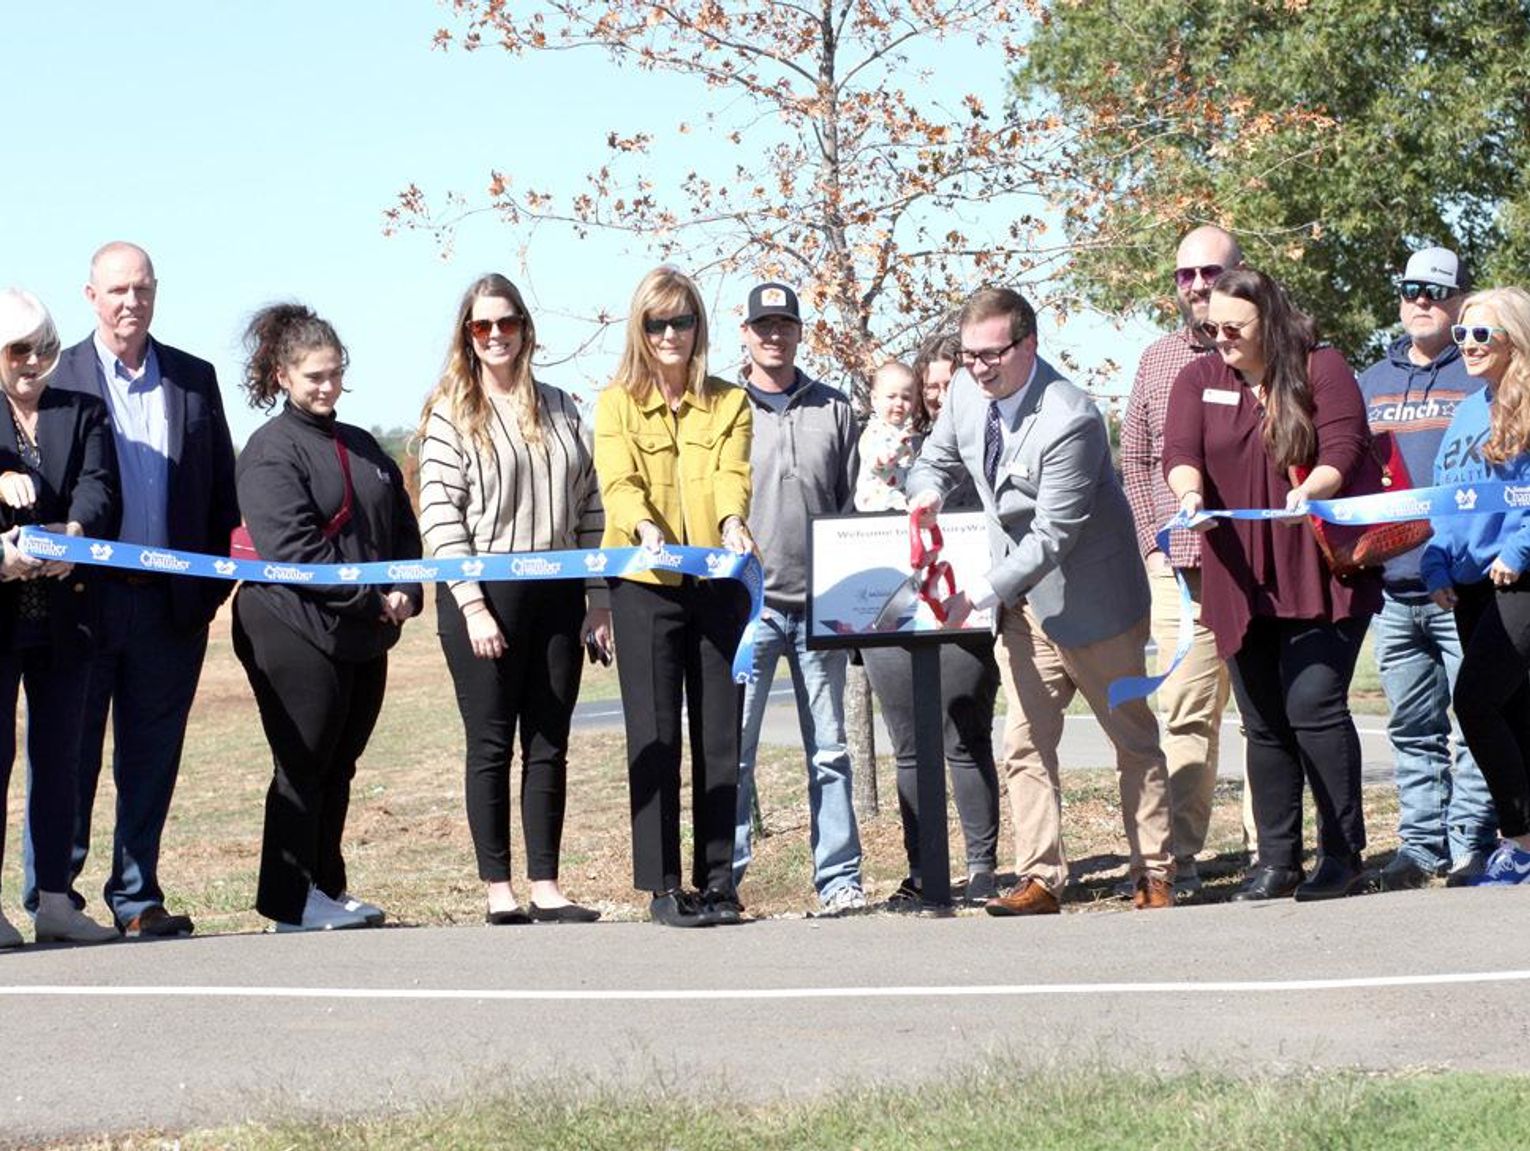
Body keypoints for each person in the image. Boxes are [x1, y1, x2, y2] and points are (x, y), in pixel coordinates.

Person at [907, 287, 1176, 916]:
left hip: (1095, 602)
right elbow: (935, 460)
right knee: (1026, 743)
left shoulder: (1071, 416)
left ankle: (1154, 873)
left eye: (991, 354)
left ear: (1028, 345)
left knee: (1132, 740)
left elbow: (1054, 534)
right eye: (969, 355)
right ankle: (1041, 879)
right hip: (1021, 604)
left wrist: (975, 594)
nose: (977, 368)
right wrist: (924, 495)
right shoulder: (969, 395)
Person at [32, 242, 238, 939]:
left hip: (170, 606)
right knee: (71, 752)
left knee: (150, 758)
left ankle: (136, 895)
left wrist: (204, 594)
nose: (131, 302)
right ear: (90, 295)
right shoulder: (58, 378)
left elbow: (219, 496)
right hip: (82, 602)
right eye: (117, 290)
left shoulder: (194, 379)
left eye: (142, 289)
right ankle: (54, 894)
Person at [1165, 267, 1382, 902]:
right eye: (1211, 328)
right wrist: (1189, 494)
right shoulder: (1199, 377)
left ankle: (1343, 857)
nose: (1221, 338)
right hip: (1239, 573)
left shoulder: (1321, 366)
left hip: (1317, 566)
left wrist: (1311, 490)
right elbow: (1180, 452)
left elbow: (1345, 444)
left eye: (1234, 327)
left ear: (1270, 320)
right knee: (1263, 723)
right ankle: (1278, 860)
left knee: (1313, 705)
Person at [417, 274, 609, 925]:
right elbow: (440, 516)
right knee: (492, 743)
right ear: (467, 336)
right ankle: (498, 886)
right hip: (483, 595)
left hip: (558, 593)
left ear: (526, 328)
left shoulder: (562, 407)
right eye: (481, 326)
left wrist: (598, 595)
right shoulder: (451, 411)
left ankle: (546, 884)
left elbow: (592, 505)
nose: (495, 335)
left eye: (506, 323)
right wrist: (471, 604)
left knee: (550, 740)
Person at [231, 304, 423, 932]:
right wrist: (370, 598)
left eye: (335, 374)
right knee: (303, 761)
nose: (326, 386)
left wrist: (404, 591)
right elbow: (293, 551)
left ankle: (324, 887)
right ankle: (287, 899)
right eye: (313, 376)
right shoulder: (269, 451)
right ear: (283, 376)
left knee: (339, 764)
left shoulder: (363, 446)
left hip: (362, 634)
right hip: (288, 625)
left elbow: (402, 529)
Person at [594, 266, 755, 928]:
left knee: (719, 736)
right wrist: (646, 527)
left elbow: (730, 474)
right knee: (656, 734)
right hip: (645, 585)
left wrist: (731, 523)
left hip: (716, 585)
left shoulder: (729, 402)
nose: (669, 334)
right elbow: (619, 480)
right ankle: (662, 886)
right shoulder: (616, 404)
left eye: (681, 321)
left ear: (698, 328)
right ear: (640, 328)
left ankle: (718, 881)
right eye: (656, 322)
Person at [1358, 247, 1494, 890]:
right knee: (1412, 728)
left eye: (1435, 292)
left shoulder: (1479, 373)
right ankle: (1421, 847)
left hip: (1464, 585)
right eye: (1409, 288)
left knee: (1474, 721)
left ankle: (1474, 844)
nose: (1420, 301)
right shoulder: (1369, 381)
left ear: (1462, 300)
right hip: (1393, 587)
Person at [728, 282, 866, 913]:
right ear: (746, 333)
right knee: (735, 752)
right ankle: (723, 880)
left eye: (785, 324)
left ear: (800, 332)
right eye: (764, 325)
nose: (773, 335)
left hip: (820, 609)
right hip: (747, 609)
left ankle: (839, 880)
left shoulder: (834, 408)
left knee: (831, 751)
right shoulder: (723, 409)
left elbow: (848, 505)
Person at [1119, 224, 1245, 898]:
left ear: (1238, 273)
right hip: (1181, 567)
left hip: (1261, 568)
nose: (1197, 285)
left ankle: (1273, 852)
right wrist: (1153, 541)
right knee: (1186, 709)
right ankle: (1183, 858)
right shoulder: (1156, 360)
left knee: (1268, 711)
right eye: (1185, 275)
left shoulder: (1268, 351)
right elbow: (1136, 462)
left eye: (1209, 272)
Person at [863, 330, 1002, 906]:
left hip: (964, 607)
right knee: (909, 748)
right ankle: (924, 873)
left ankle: (982, 869)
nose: (941, 395)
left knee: (965, 740)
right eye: (932, 386)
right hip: (891, 609)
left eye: (953, 383)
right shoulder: (894, 446)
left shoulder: (992, 441)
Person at [0, 290, 120, 947]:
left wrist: (73, 533)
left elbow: (100, 487)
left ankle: (54, 900)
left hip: (65, 617)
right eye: (19, 350)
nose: (35, 362)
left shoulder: (84, 410)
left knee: (62, 761)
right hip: (3, 612)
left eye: (46, 347)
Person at [1423, 286, 1530, 885]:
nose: (1467, 344)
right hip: (1470, 582)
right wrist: (1437, 561)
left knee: (1475, 701)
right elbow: (1448, 498)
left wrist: (1518, 547)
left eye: (1481, 334)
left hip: (1520, 575)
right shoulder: (1468, 408)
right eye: (1461, 334)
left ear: (1514, 337)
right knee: (1512, 710)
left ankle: (1517, 840)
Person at [854, 361, 921, 511]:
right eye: (891, 397)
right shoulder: (874, 431)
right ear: (874, 399)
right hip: (878, 507)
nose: (899, 403)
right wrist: (898, 447)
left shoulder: (907, 432)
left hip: (902, 505)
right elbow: (878, 464)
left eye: (906, 398)